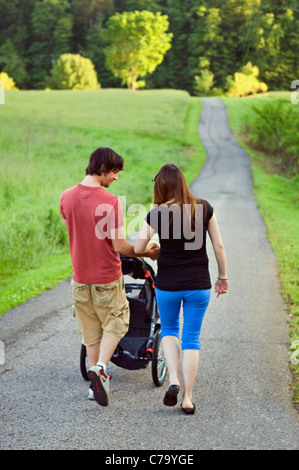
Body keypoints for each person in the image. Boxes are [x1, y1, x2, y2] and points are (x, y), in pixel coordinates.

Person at [60, 147, 159, 407]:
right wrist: (146, 251)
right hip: (105, 276)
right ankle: (102, 367)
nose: (116, 178)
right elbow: (118, 245)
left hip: (80, 279)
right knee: (117, 321)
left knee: (91, 333)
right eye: (115, 172)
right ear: (104, 168)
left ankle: (96, 387)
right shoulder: (110, 201)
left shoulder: (66, 197)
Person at [134, 163, 228, 415]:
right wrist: (223, 277)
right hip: (198, 284)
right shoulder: (203, 207)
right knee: (191, 340)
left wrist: (153, 250)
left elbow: (137, 247)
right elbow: (219, 247)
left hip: (168, 284)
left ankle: (173, 379)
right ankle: (187, 398)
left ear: (161, 186)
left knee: (169, 330)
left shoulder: (157, 213)